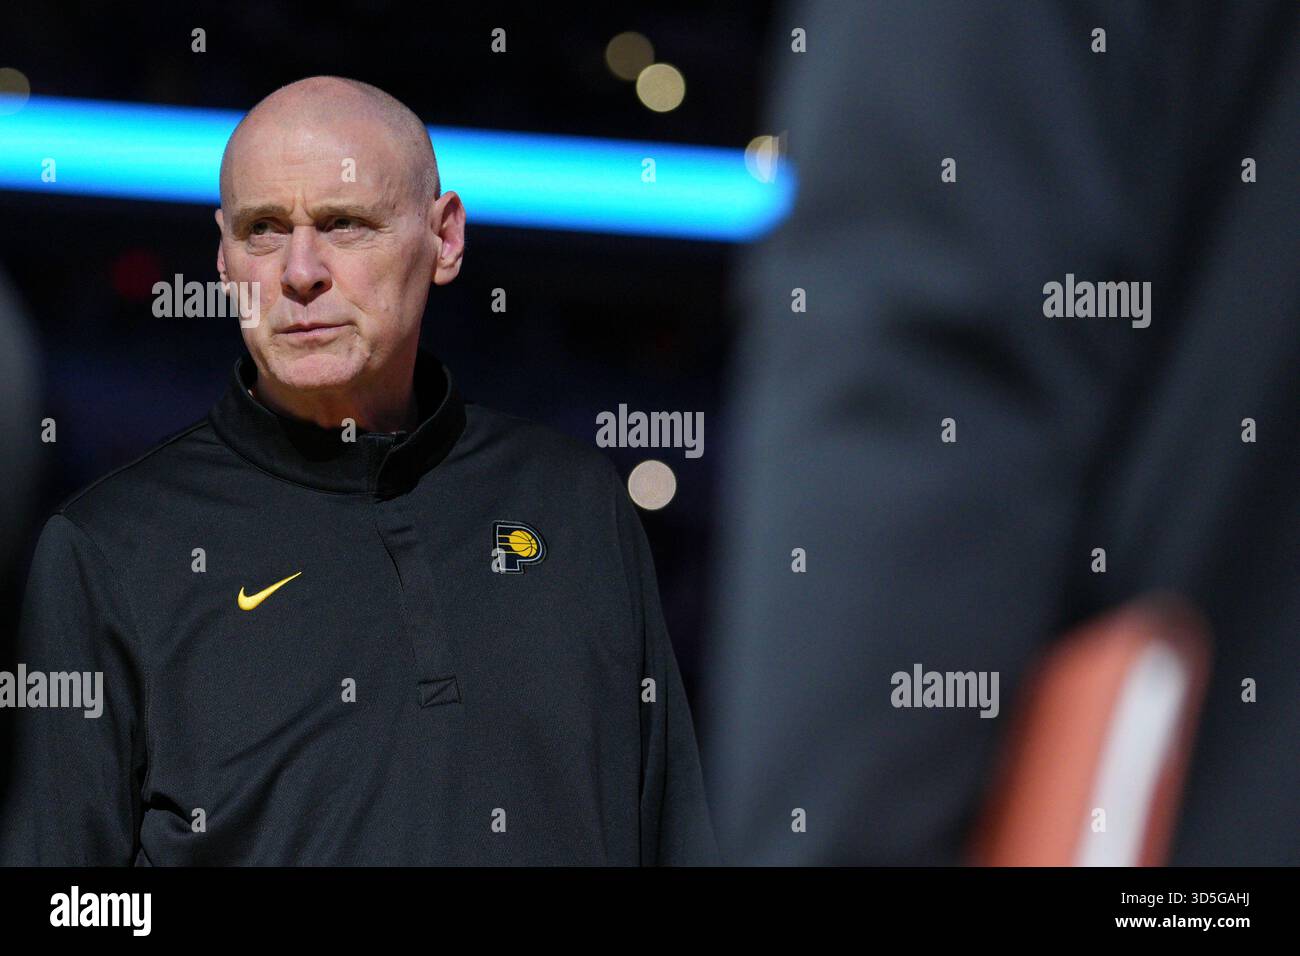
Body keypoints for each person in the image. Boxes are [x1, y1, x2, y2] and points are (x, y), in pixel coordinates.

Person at [0, 76, 717, 866]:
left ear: (444, 239)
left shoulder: (577, 504)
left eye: (344, 225)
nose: (300, 272)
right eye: (264, 230)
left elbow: (676, 838)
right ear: (222, 254)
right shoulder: (106, 551)